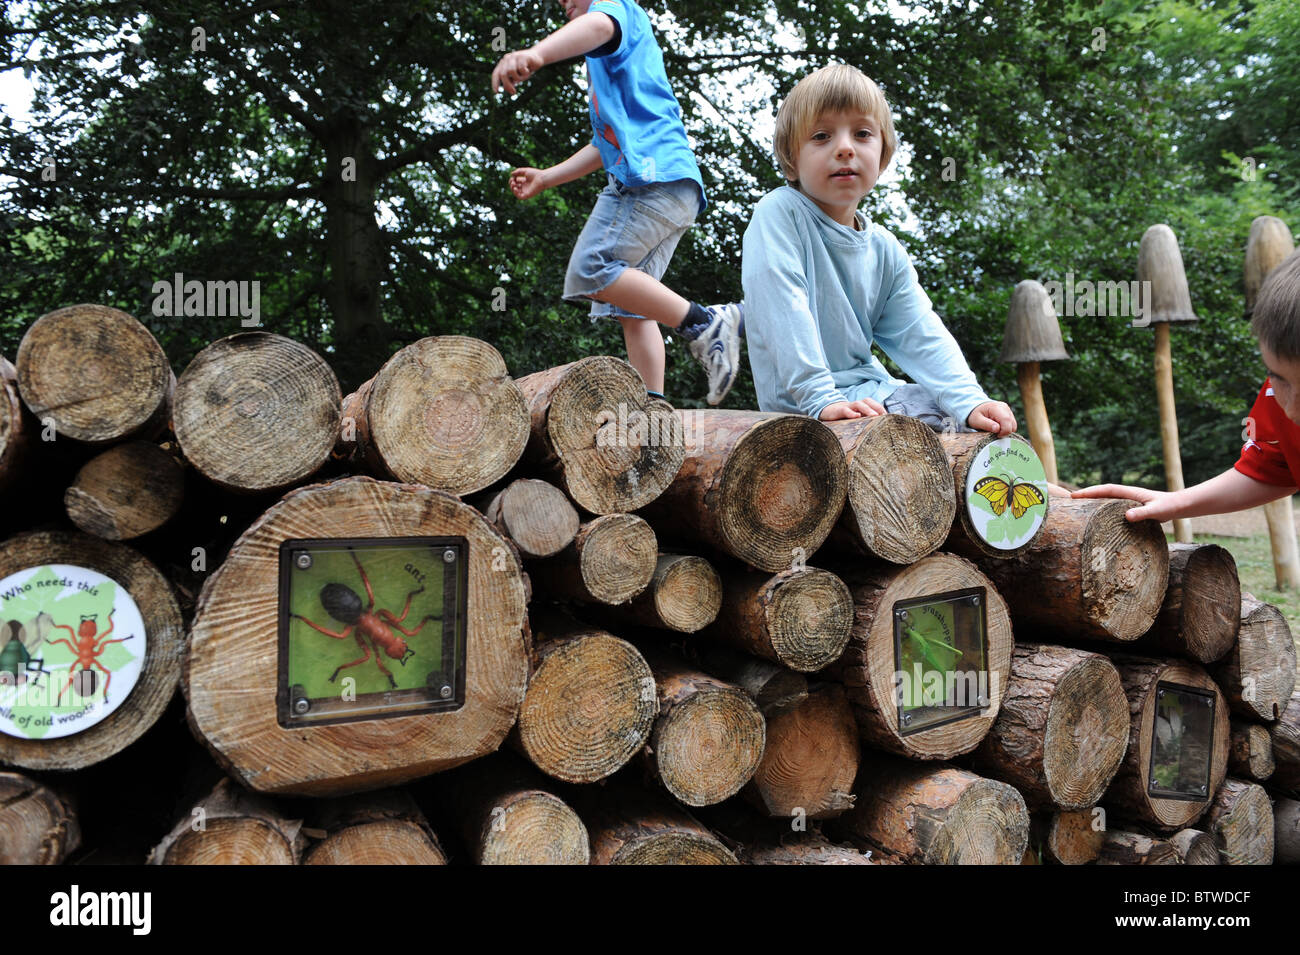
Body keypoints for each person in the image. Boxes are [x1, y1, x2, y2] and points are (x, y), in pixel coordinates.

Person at [491, 0, 743, 405]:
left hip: (648, 181)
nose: (561, 2)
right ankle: (652, 407)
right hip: (675, 188)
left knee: (593, 268)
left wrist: (535, 54)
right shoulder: (612, 66)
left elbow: (598, 24)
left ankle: (706, 322)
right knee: (632, 305)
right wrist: (547, 177)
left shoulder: (617, 11)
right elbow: (603, 145)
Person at [741, 63, 1015, 433]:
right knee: (936, 422)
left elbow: (919, 330)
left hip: (869, 396)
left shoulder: (884, 249)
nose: (843, 148)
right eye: (821, 136)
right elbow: (784, 307)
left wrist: (970, 398)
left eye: (862, 133)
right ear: (792, 160)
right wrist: (821, 397)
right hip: (806, 406)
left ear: (883, 155)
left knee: (969, 420)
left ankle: (1034, 485)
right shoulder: (780, 213)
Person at [1075, 249, 1300, 521]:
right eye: (1276, 376)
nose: (1290, 410)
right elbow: (1274, 468)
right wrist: (1176, 502)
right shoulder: (1282, 389)